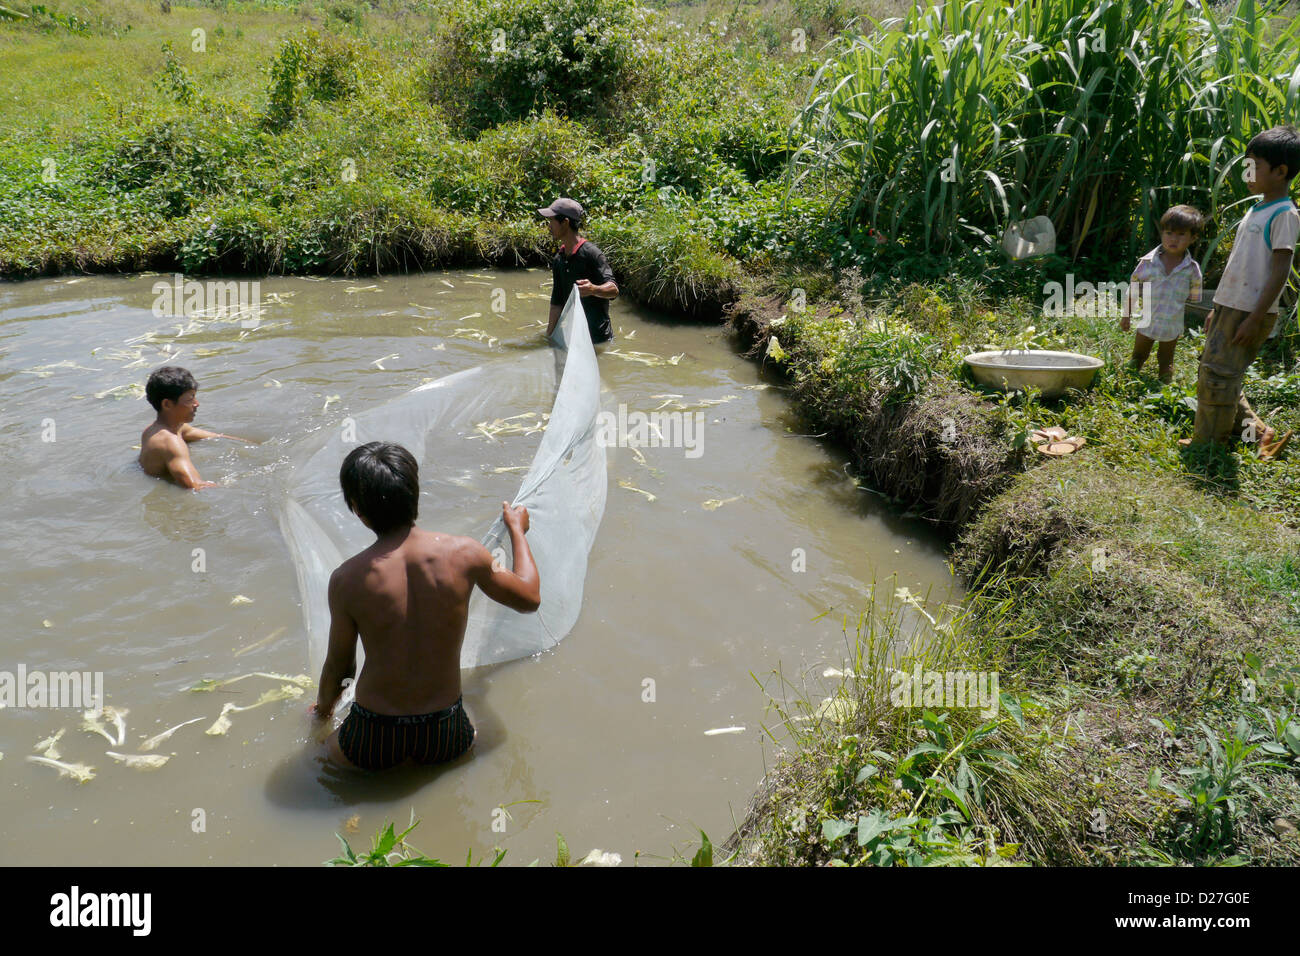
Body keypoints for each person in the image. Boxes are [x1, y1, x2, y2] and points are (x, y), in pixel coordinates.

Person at [311, 441, 541, 770]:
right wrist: (517, 531)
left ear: (357, 510)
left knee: (320, 759)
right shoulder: (467, 554)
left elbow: (340, 668)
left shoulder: (347, 579)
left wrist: (321, 713)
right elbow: (529, 598)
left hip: (372, 734)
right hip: (446, 733)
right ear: (414, 494)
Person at [1187, 125, 1299, 459]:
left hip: (1250, 311)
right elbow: (1240, 266)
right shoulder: (1257, 208)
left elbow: (1280, 270)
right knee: (1217, 371)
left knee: (1219, 376)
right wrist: (1217, 308)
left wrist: (1253, 318)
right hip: (1230, 307)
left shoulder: (1285, 214)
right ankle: (1261, 435)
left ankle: (1210, 444)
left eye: (1254, 166)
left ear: (1281, 172)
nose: (1246, 172)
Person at [1121, 204, 1204, 384]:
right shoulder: (1148, 263)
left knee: (1166, 359)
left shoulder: (1191, 269)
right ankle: (1128, 381)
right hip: (1147, 321)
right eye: (1169, 233)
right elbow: (1133, 289)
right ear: (1162, 233)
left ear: (1193, 238)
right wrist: (1126, 315)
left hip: (1172, 323)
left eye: (1181, 234)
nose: (1173, 239)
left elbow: (1194, 298)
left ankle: (1165, 388)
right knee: (1138, 355)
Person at [139, 366, 252, 489]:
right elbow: (195, 486)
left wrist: (250, 444)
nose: (197, 404)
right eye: (190, 399)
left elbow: (217, 437)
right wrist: (241, 483)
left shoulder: (156, 429)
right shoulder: (170, 443)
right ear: (167, 404)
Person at [539, 197, 619, 344]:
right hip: (574, 338)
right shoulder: (559, 259)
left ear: (565, 223)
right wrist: (549, 336)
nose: (549, 226)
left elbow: (613, 290)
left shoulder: (592, 254)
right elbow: (557, 302)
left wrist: (593, 289)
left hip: (598, 340)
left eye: (552, 221)